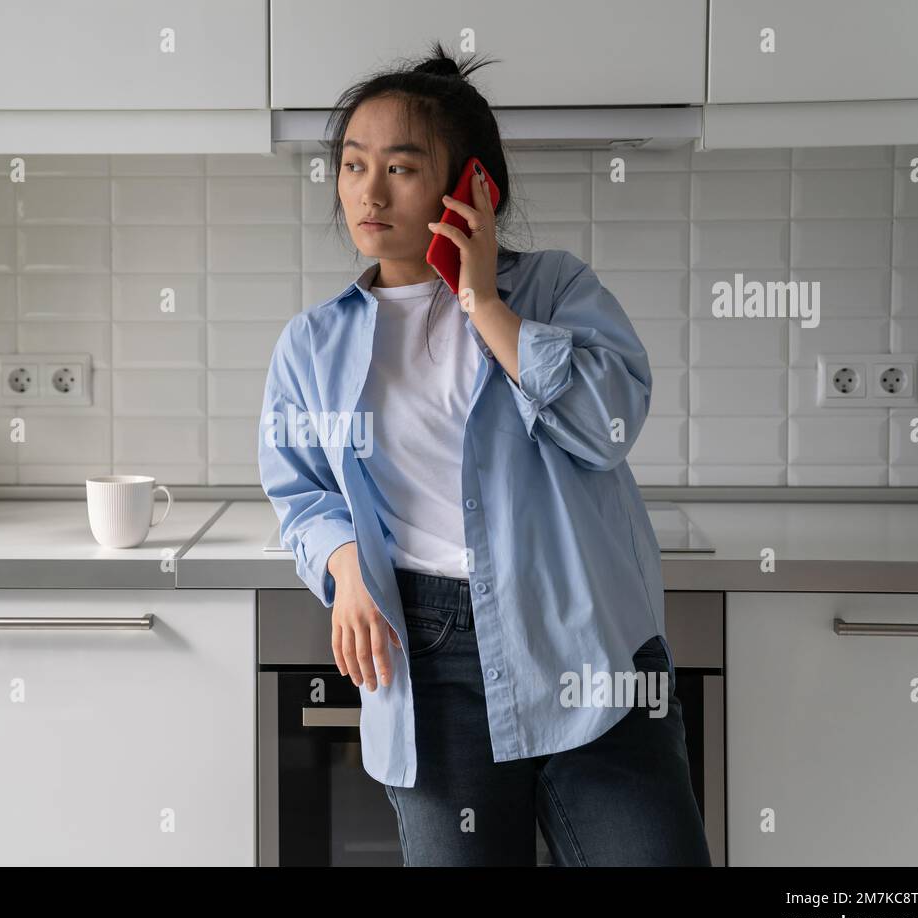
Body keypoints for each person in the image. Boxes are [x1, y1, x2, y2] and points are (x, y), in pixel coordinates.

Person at [258, 42, 711, 867]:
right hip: (427, 659)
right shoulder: (312, 344)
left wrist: (482, 301)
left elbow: (606, 421)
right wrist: (348, 570)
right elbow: (302, 492)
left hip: (591, 650)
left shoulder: (555, 292)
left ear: (471, 186)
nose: (369, 189)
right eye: (353, 165)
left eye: (400, 165)